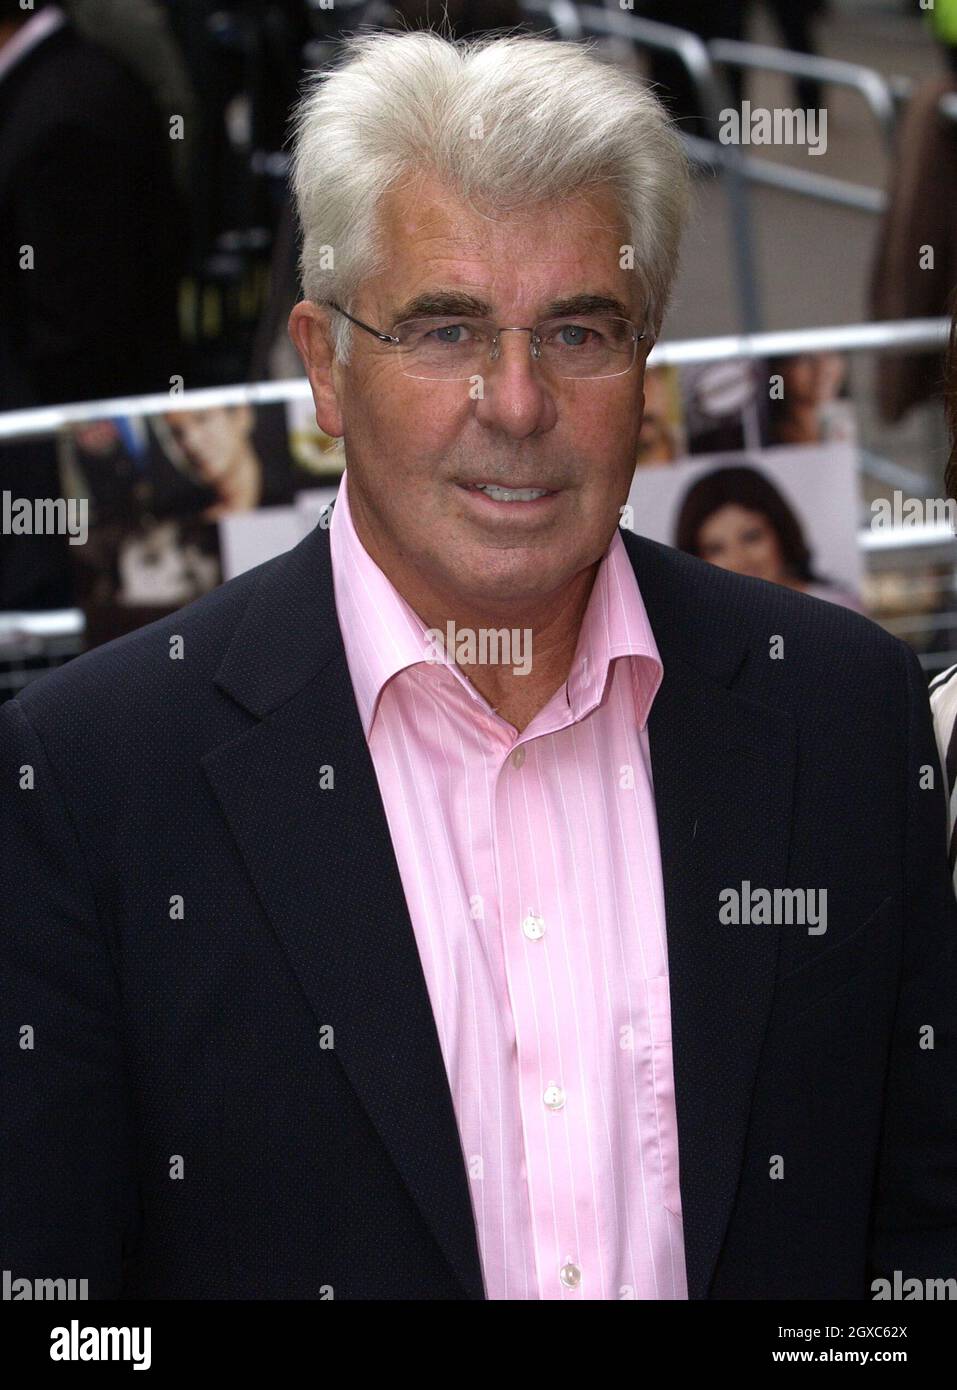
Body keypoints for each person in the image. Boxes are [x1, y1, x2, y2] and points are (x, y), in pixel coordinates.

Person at [2, 29, 956, 1302]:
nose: (515, 403)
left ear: (647, 366)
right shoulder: (91, 779)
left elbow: (920, 1237)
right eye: (445, 329)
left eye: (577, 332)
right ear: (325, 364)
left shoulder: (843, 710)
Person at [675, 463, 865, 612]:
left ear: (781, 532)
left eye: (751, 537)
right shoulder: (700, 632)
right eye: (716, 549)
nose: (738, 560)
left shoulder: (837, 612)